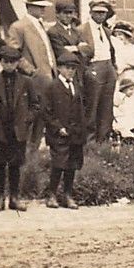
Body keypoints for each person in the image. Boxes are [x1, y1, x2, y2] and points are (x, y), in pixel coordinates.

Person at [0, 44, 37, 211]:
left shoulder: (26, 82)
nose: (9, 65)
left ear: (18, 62)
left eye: (13, 62)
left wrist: (27, 119)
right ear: (0, 61)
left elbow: (35, 105)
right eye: (6, 61)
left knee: (15, 165)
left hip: (17, 129)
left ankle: (14, 198)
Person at [39, 48, 90, 209]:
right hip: (59, 133)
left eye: (73, 68)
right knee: (59, 164)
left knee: (72, 165)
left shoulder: (76, 86)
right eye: (67, 68)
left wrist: (82, 128)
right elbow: (46, 111)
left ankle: (68, 195)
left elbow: (82, 107)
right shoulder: (52, 87)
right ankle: (51, 194)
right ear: (60, 68)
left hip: (75, 133)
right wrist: (57, 127)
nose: (70, 71)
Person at [82, 0, 119, 143]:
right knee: (92, 105)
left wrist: (113, 69)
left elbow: (112, 51)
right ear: (91, 12)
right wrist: (87, 71)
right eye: (97, 12)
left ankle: (103, 141)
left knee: (107, 106)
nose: (100, 16)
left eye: (103, 13)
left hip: (108, 68)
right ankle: (89, 141)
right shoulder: (82, 30)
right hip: (93, 68)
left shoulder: (106, 31)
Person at [109, 22, 134, 140]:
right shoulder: (116, 49)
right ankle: (124, 129)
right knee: (123, 102)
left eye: (120, 34)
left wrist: (127, 62)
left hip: (133, 76)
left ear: (127, 36)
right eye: (116, 35)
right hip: (120, 77)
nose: (118, 37)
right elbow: (117, 64)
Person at [8, 0, 56, 77]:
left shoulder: (40, 25)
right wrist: (31, 70)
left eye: (44, 6)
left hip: (50, 74)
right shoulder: (18, 27)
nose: (43, 9)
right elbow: (13, 53)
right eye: (39, 6)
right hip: (32, 78)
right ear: (29, 6)